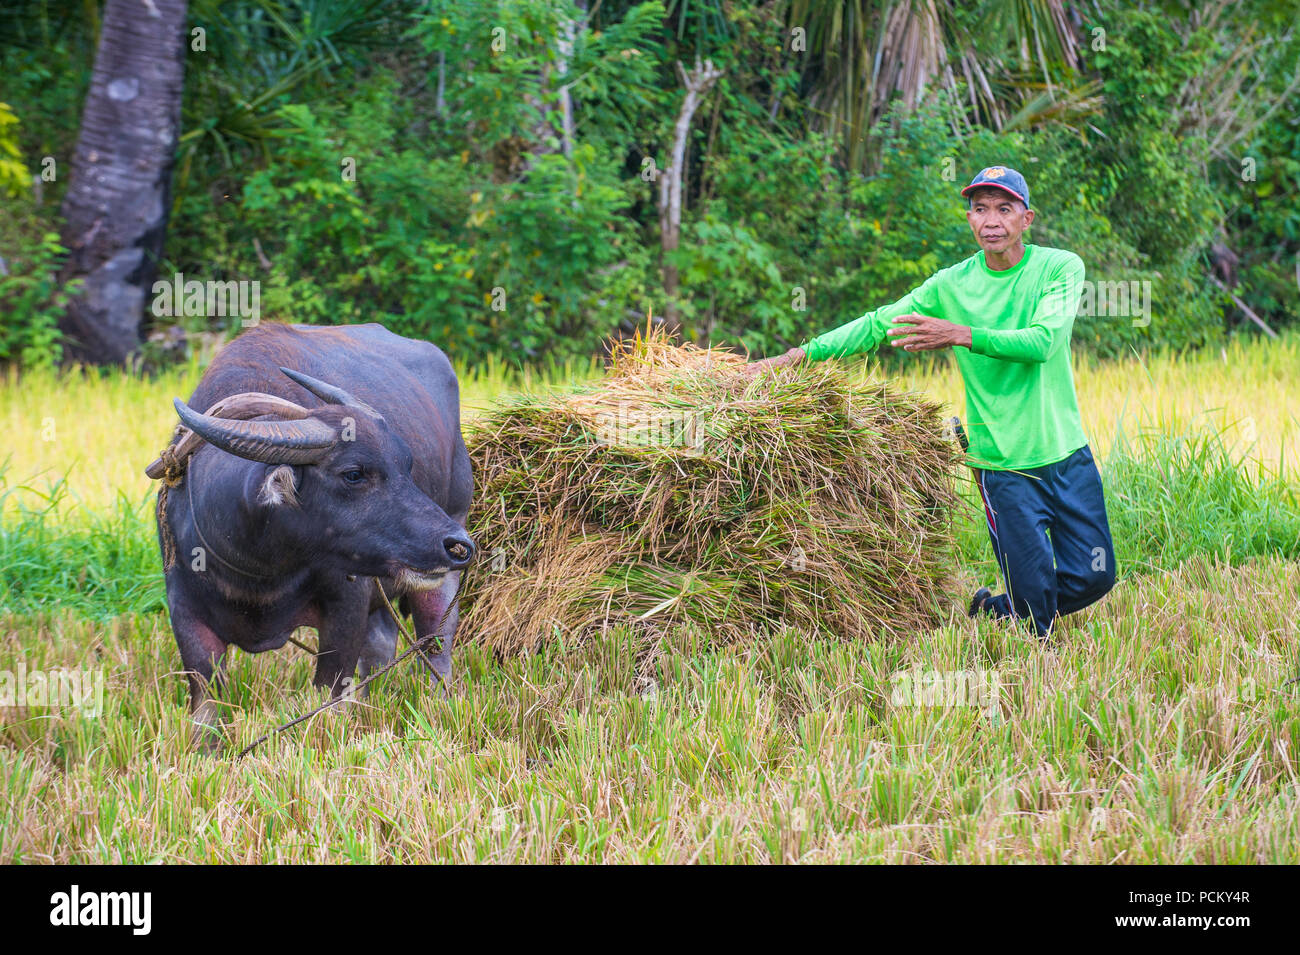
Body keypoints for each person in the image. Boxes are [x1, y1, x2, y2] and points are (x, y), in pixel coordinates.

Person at [744, 165, 1116, 637]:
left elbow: (1042, 342)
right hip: (1001, 465)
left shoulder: (1059, 268)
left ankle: (998, 609)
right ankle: (1029, 652)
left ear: (1027, 219)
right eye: (981, 210)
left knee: (1096, 575)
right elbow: (879, 324)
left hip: (1065, 454)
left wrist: (958, 334)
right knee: (1035, 601)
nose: (992, 220)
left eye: (1005, 209)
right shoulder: (950, 285)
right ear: (969, 219)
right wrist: (799, 355)